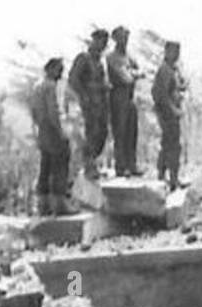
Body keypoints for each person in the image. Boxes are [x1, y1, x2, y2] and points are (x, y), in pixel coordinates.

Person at [68, 28, 110, 179]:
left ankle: (93, 163)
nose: (103, 45)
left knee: (102, 134)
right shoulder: (83, 58)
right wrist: (84, 96)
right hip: (89, 103)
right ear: (94, 40)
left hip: (101, 103)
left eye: (105, 42)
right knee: (91, 134)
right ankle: (88, 166)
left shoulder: (100, 61)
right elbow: (73, 79)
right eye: (101, 41)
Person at [31, 58, 72, 215]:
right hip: (52, 130)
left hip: (42, 130)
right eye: (59, 69)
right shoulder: (50, 86)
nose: (61, 73)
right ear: (50, 69)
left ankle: (43, 205)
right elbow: (53, 111)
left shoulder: (37, 86)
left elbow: (34, 111)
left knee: (45, 166)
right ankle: (59, 205)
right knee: (59, 166)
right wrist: (60, 132)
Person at [151, 40, 187, 190]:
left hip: (173, 112)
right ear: (166, 52)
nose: (176, 55)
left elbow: (176, 87)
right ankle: (171, 178)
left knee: (169, 144)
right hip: (167, 113)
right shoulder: (164, 70)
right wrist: (173, 110)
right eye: (173, 51)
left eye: (178, 51)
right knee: (172, 146)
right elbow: (161, 95)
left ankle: (166, 176)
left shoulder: (173, 69)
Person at [106, 26, 139, 175]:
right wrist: (131, 74)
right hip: (118, 96)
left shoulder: (129, 56)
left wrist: (131, 73)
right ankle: (121, 166)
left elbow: (138, 71)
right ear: (115, 39)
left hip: (130, 97)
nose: (124, 40)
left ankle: (132, 164)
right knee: (120, 132)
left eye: (126, 36)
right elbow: (124, 77)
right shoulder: (111, 57)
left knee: (132, 132)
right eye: (121, 37)